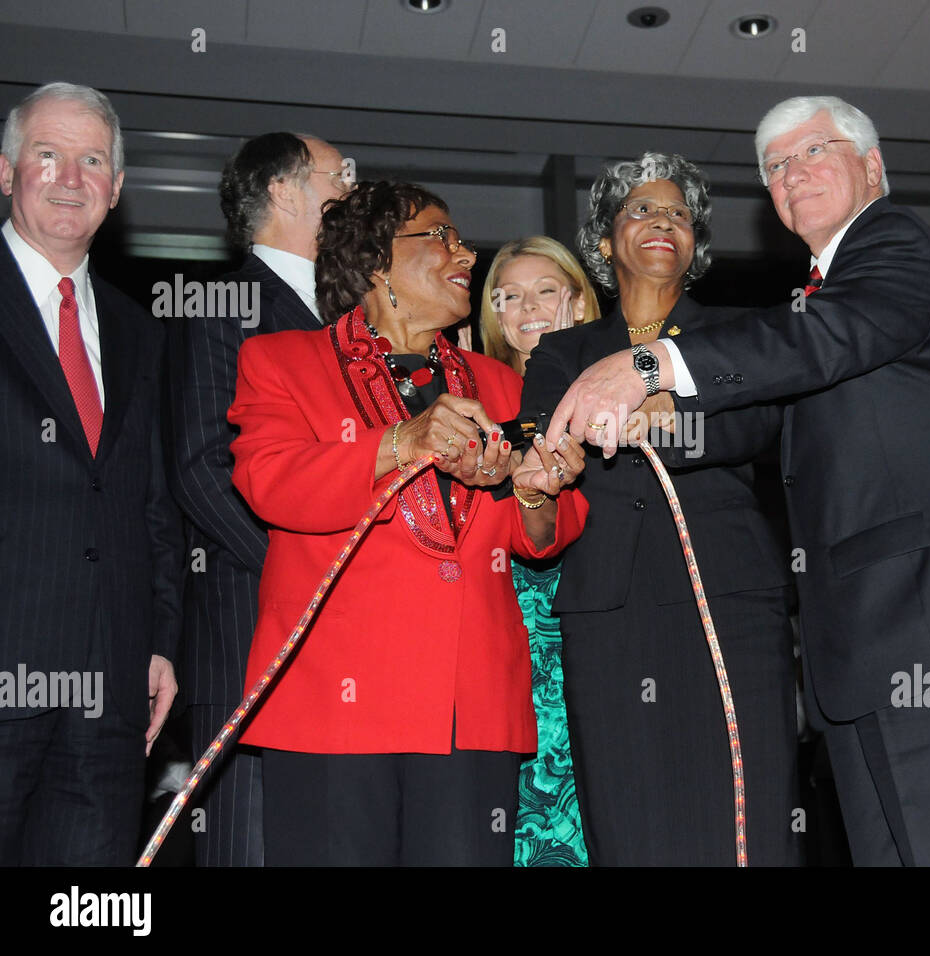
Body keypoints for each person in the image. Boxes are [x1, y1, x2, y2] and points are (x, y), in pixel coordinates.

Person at [547, 102, 930, 866]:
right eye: (776, 167)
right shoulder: (816, 300)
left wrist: (653, 363)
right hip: (860, 658)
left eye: (814, 151)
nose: (793, 174)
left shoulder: (894, 243)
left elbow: (820, 341)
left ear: (874, 166)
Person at [226, 181, 588, 865]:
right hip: (332, 707)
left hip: (470, 706)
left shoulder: (505, 383)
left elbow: (540, 536)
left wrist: (536, 491)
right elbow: (270, 482)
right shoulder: (281, 362)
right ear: (374, 263)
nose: (465, 252)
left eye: (460, 238)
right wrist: (404, 440)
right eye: (440, 236)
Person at [520, 153, 801, 866]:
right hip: (607, 609)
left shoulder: (738, 332)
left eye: (678, 213)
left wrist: (668, 420)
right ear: (607, 242)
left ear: (695, 244)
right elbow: (545, 437)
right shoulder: (564, 351)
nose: (662, 222)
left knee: (748, 815)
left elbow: (757, 426)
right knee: (629, 817)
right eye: (641, 210)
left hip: (727, 601)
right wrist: (544, 465)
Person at [0, 82, 183, 864]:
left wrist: (161, 641)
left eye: (92, 160)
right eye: (48, 154)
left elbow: (152, 500)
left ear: (115, 189)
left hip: (109, 699)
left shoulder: (141, 332)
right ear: (6, 172)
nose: (70, 177)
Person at [165, 131, 352, 868]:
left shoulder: (359, 319)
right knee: (249, 837)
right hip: (251, 620)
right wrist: (309, 568)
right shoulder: (220, 303)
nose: (353, 190)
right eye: (341, 175)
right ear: (283, 189)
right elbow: (200, 467)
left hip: (354, 637)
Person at [479, 237, 599, 866]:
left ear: (578, 303)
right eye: (509, 295)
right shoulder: (469, 395)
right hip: (500, 626)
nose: (527, 307)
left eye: (546, 290)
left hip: (598, 617)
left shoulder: (614, 387)